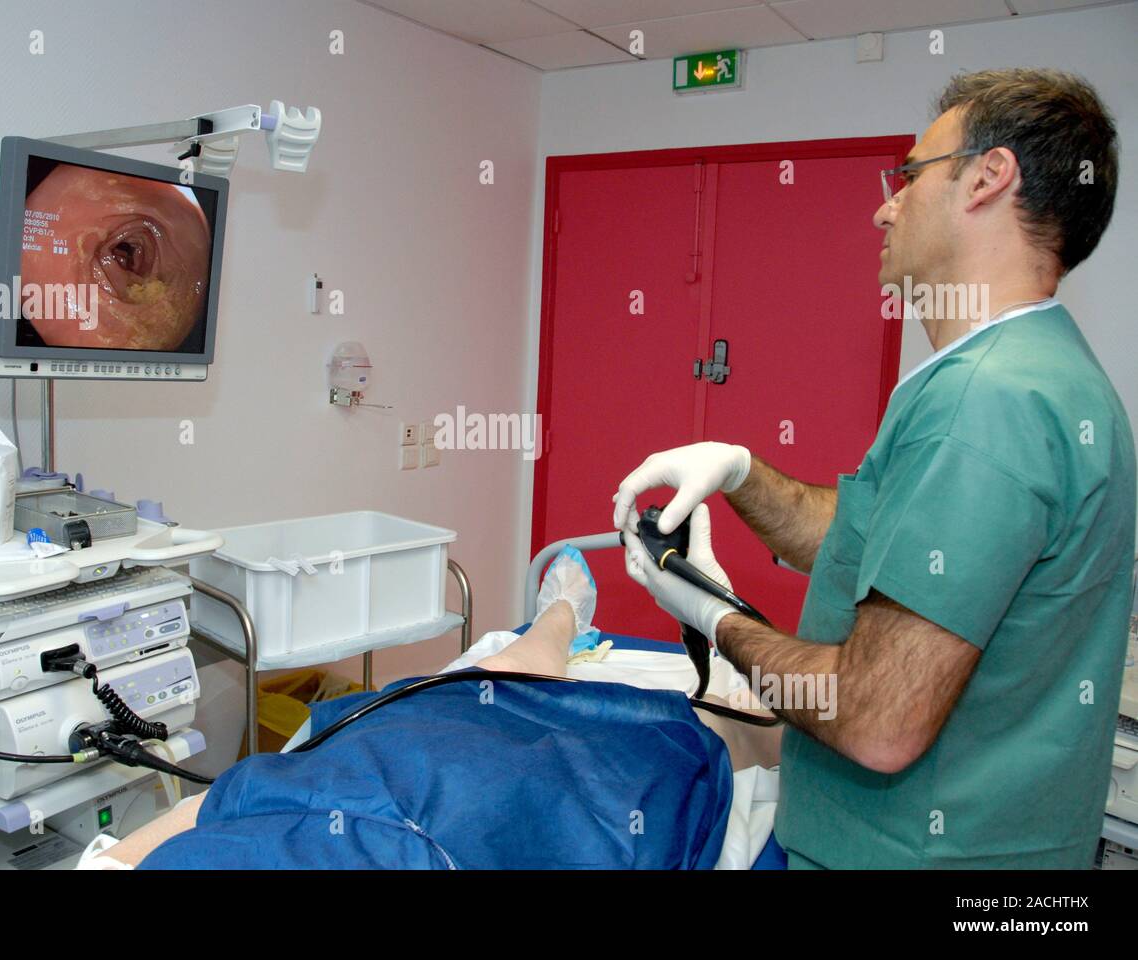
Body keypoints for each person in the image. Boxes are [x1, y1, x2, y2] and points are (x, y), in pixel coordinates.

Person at [616, 68, 1134, 869]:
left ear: (989, 179)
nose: (883, 206)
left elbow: (876, 719)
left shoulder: (985, 401)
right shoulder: (1046, 374)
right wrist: (740, 471)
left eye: (909, 175)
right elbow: (890, 549)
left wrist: (716, 619)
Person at [79, 548, 782, 869]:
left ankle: (562, 618)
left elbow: (202, 811)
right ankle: (593, 625)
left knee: (489, 685)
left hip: (360, 768)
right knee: (693, 734)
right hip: (501, 811)